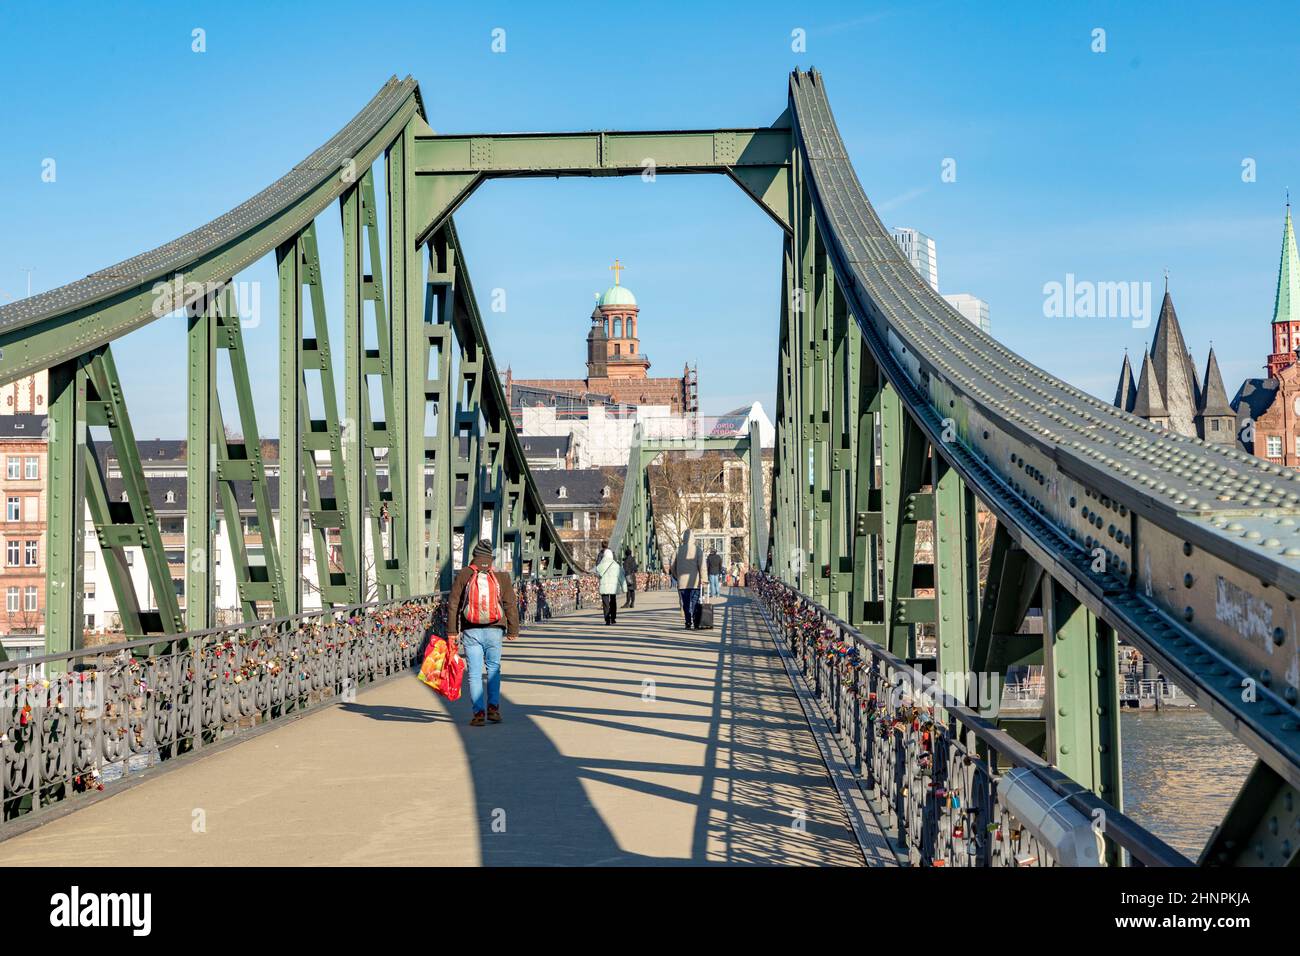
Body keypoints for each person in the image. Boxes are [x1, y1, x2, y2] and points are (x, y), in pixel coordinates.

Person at [446, 539, 520, 727]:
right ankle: (493, 709)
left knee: (474, 673)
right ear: (490, 557)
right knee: (493, 669)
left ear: (474, 556)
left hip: (471, 630)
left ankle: (478, 714)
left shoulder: (465, 573)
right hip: (495, 629)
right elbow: (510, 603)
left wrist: (452, 631)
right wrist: (513, 629)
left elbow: (453, 604)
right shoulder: (501, 575)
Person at [670, 530, 705, 629]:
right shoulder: (698, 550)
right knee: (695, 602)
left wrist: (676, 576)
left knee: (685, 603)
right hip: (695, 582)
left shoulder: (678, 550)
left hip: (682, 582)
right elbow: (702, 566)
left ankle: (688, 622)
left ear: (683, 538)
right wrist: (704, 578)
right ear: (693, 538)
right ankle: (696, 622)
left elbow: (672, 565)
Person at [594, 540, 625, 625]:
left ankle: (607, 619)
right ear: (608, 545)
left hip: (604, 580)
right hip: (613, 582)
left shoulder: (600, 554)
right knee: (613, 600)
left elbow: (597, 567)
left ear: (602, 546)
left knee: (605, 602)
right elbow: (616, 565)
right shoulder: (612, 554)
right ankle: (613, 618)